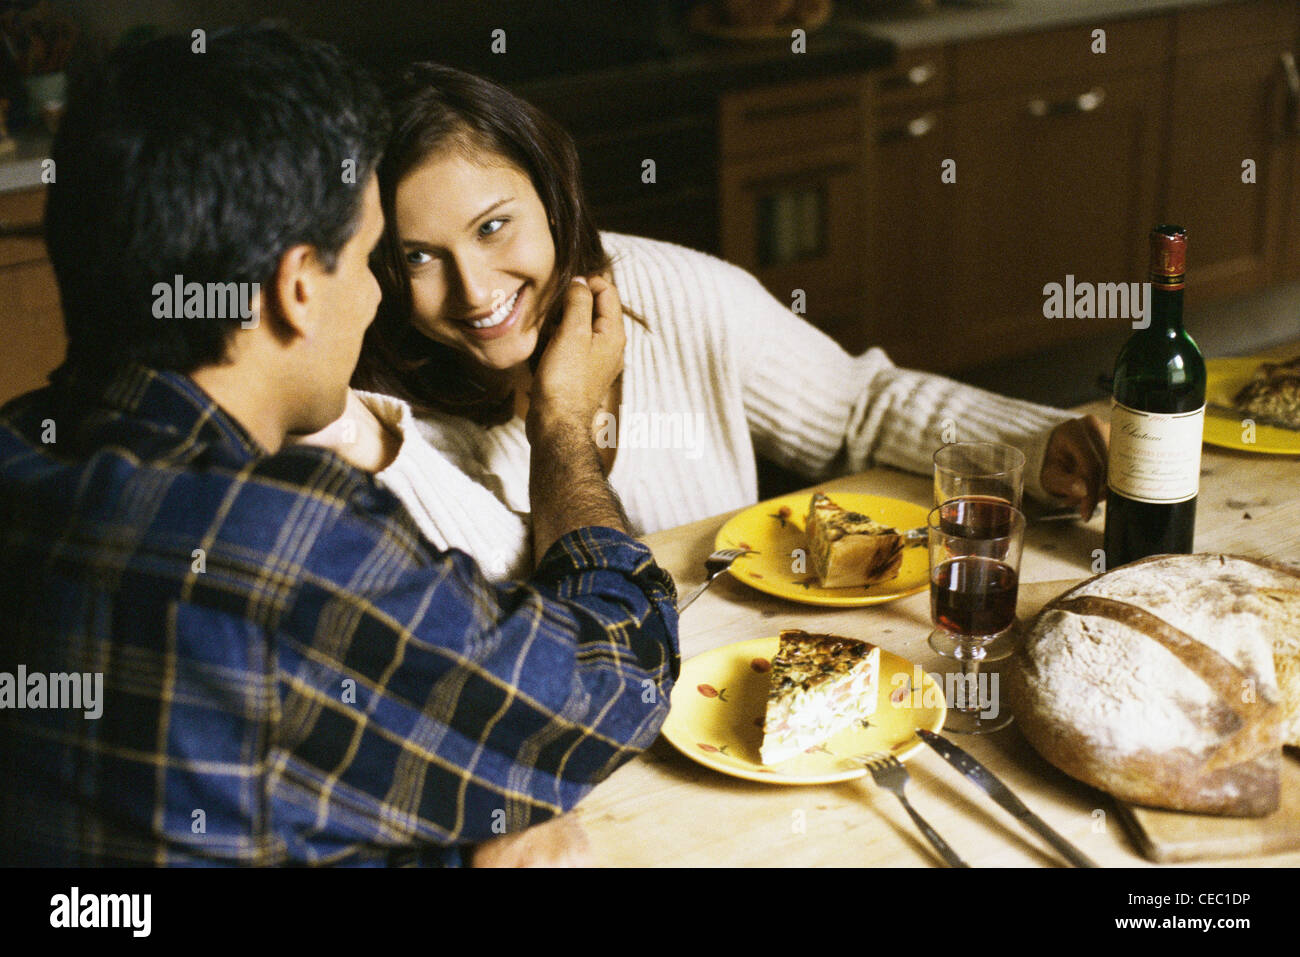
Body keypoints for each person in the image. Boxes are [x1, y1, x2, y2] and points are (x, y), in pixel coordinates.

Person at [0, 27, 678, 867]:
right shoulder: (282, 542)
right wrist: (564, 427)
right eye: (369, 259)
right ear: (296, 289)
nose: (371, 298)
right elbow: (615, 682)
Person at [304, 63, 1109, 580]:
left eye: (492, 227)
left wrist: (1040, 446)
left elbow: (856, 407)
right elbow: (533, 607)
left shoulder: (675, 291)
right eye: (418, 257)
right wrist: (561, 422)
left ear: (552, 199)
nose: (475, 290)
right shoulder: (380, 421)